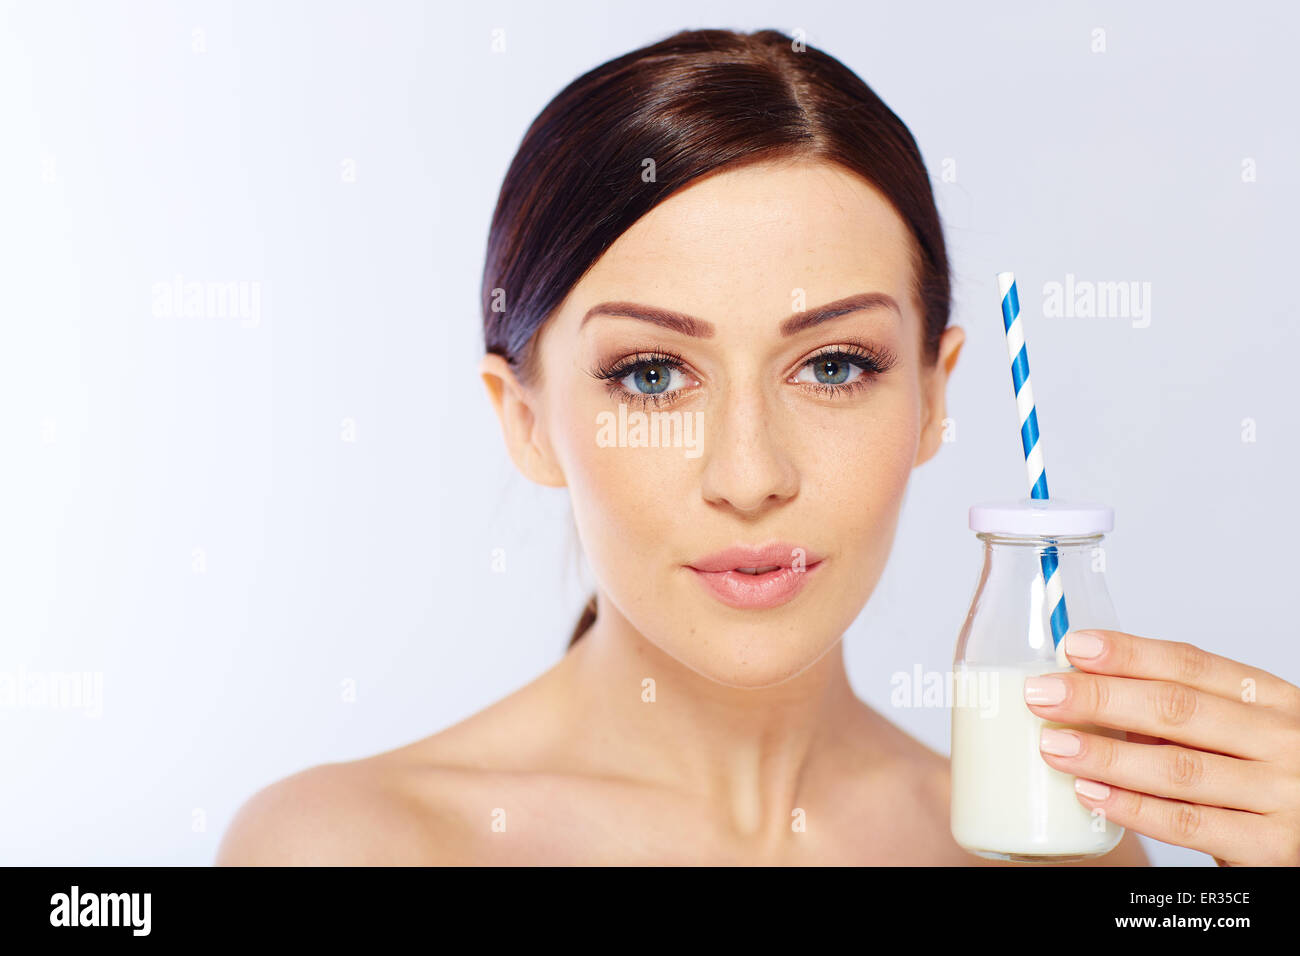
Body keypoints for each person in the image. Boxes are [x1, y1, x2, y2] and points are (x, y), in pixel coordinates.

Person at [217, 28, 1299, 866]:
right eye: (651, 374)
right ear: (525, 420)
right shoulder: (345, 848)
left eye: (833, 366)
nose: (750, 476)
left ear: (934, 397)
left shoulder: (1053, 849)